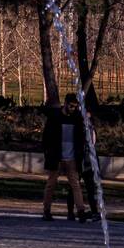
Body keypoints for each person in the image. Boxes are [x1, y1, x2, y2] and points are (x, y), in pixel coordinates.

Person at [42, 93, 91, 222]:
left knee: (75, 185)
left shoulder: (77, 118)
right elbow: (46, 137)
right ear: (65, 103)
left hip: (72, 158)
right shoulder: (55, 117)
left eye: (75, 106)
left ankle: (81, 210)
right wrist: (47, 153)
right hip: (57, 157)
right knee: (51, 184)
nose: (73, 109)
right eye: (71, 106)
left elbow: (82, 137)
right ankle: (46, 210)